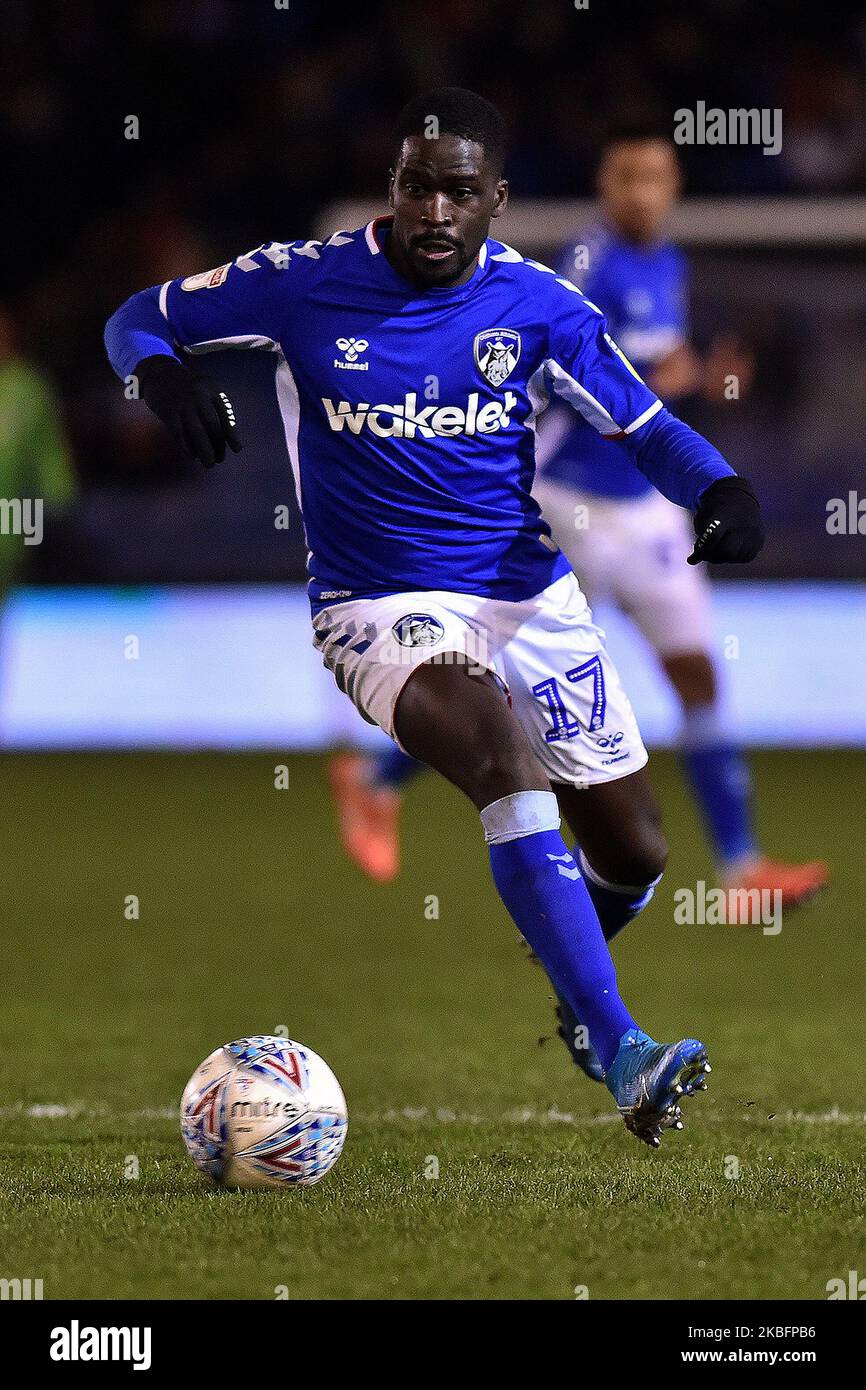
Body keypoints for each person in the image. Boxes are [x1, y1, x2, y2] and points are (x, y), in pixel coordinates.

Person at [105, 88, 767, 1147]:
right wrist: (156, 373)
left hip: (526, 596)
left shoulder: (541, 306)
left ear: (494, 201)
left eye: (459, 192)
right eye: (418, 186)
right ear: (393, 187)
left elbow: (641, 422)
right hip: (375, 603)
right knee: (501, 755)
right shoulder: (304, 280)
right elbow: (136, 314)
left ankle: (570, 969)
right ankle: (624, 1050)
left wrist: (718, 487)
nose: (434, 211)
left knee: (637, 852)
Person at [331, 124, 827, 924]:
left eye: (656, 177)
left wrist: (698, 380)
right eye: (626, 176)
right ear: (605, 185)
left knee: (697, 672)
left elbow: (648, 390)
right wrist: (672, 371)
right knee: (505, 666)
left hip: (646, 509)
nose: (641, 192)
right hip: (571, 504)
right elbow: (562, 368)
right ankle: (375, 779)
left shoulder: (671, 263)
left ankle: (740, 867)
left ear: (674, 188)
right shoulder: (585, 262)